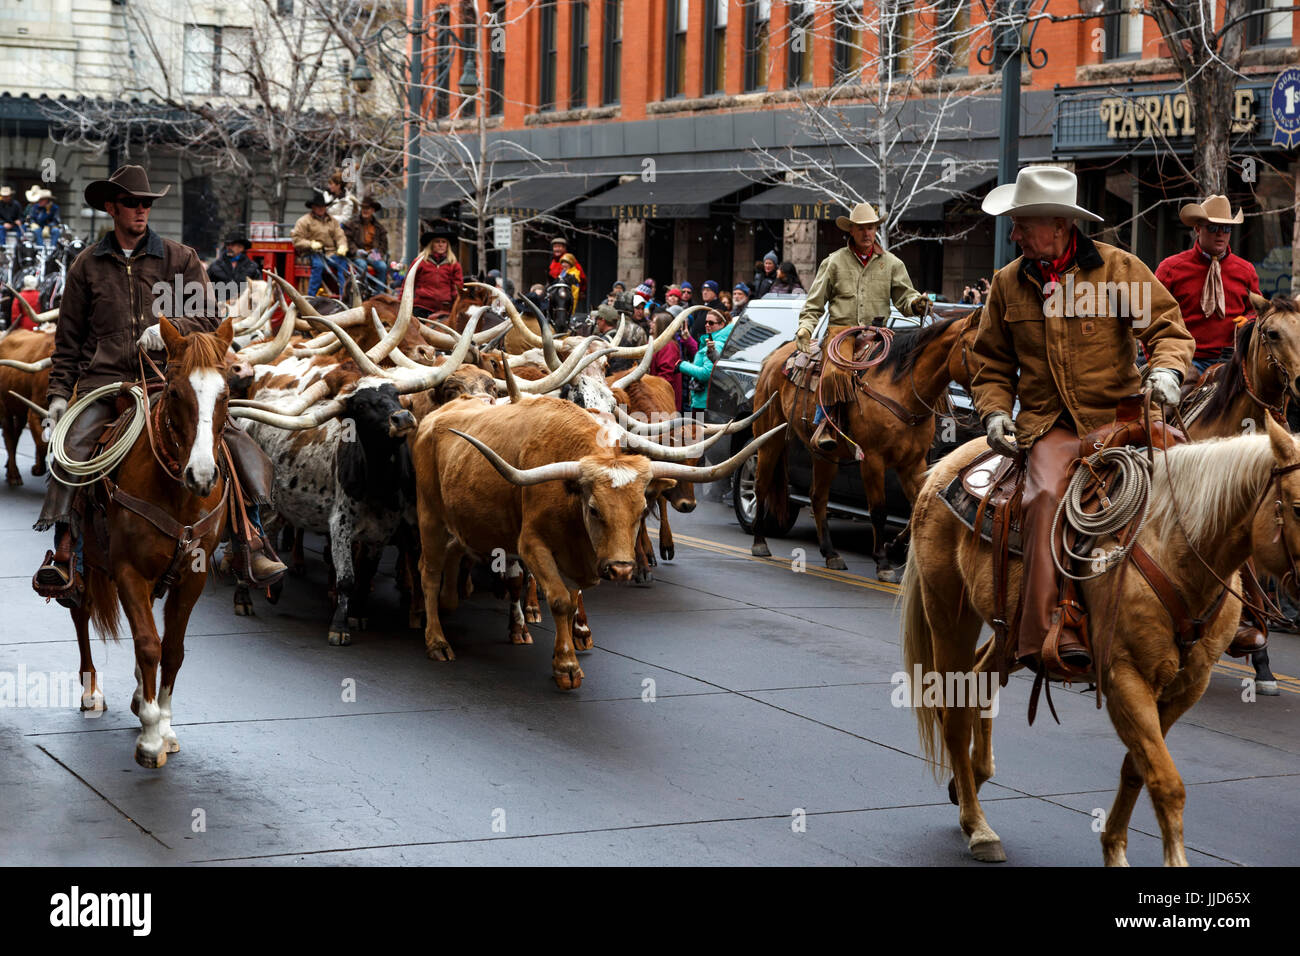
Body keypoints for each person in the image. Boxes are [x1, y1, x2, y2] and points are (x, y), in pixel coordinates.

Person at [971, 165, 1194, 674]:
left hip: (1120, 416)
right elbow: (990, 363)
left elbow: (1168, 329)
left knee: (1202, 475)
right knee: (1046, 494)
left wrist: (1165, 371)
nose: (1015, 233)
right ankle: (1049, 629)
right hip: (1052, 425)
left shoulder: (1118, 270)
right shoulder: (1008, 284)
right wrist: (995, 414)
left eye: (1023, 223)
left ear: (1060, 224)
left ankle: (1240, 609)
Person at [32, 165, 287, 603]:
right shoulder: (86, 267)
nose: (140, 210)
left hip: (166, 380)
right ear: (112, 208)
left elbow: (210, 317)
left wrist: (167, 328)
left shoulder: (179, 258)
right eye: (132, 203)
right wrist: (58, 395)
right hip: (105, 383)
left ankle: (252, 539)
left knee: (228, 437)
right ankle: (66, 555)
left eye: (146, 203)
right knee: (69, 452)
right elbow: (69, 342)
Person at [796, 201, 930, 451]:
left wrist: (917, 304)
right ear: (852, 231)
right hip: (841, 333)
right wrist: (805, 327)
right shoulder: (834, 262)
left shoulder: (892, 264)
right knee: (835, 373)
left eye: (871, 228)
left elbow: (904, 298)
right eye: (861, 228)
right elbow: (814, 303)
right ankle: (826, 423)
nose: (867, 233)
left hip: (880, 334)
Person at [1155, 195, 1261, 379]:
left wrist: (1248, 322)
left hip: (1232, 359)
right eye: (1212, 227)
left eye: (1226, 228)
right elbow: (1153, 314)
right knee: (1169, 400)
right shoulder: (1171, 269)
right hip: (1184, 358)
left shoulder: (1245, 270)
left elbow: (1257, 312)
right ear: (1197, 228)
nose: (1220, 234)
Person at [291, 190, 349, 296]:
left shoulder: (333, 221)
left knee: (343, 264)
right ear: (313, 207)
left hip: (331, 253)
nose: (321, 208)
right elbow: (297, 240)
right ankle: (311, 297)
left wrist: (342, 246)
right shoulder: (304, 221)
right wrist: (311, 244)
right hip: (311, 253)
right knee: (318, 266)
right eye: (318, 206)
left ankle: (344, 295)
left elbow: (340, 235)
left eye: (323, 206)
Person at [679, 309, 733, 412]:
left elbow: (706, 374)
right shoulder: (712, 340)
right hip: (702, 400)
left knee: (694, 428)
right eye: (706, 322)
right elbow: (701, 358)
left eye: (711, 323)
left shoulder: (717, 344)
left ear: (722, 324)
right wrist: (688, 339)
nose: (707, 325)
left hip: (703, 403)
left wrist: (681, 365)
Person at [411, 222, 463, 318]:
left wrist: (458, 307)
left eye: (443, 242)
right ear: (431, 244)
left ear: (447, 245)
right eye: (437, 241)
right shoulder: (419, 262)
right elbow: (408, 285)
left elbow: (457, 290)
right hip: (421, 307)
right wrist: (400, 304)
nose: (441, 245)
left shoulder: (454, 265)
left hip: (445, 309)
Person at [343, 196, 390, 292]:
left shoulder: (379, 227)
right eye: (363, 208)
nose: (365, 211)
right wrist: (356, 251)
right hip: (357, 256)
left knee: (383, 267)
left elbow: (384, 245)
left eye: (367, 209)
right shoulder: (351, 224)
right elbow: (348, 240)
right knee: (362, 265)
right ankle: (364, 292)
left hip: (373, 255)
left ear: (373, 210)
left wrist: (378, 253)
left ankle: (379, 294)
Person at [650, 311, 688, 410]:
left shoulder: (668, 346)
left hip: (664, 399)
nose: (651, 324)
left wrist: (652, 390)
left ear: (661, 325)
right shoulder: (657, 343)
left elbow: (666, 376)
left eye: (654, 322)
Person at [548, 236, 587, 303]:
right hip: (554, 292)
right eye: (555, 247)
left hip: (567, 293)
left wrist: (582, 291)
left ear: (564, 248)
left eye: (559, 247)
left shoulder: (570, 260)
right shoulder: (553, 262)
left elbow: (582, 277)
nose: (557, 249)